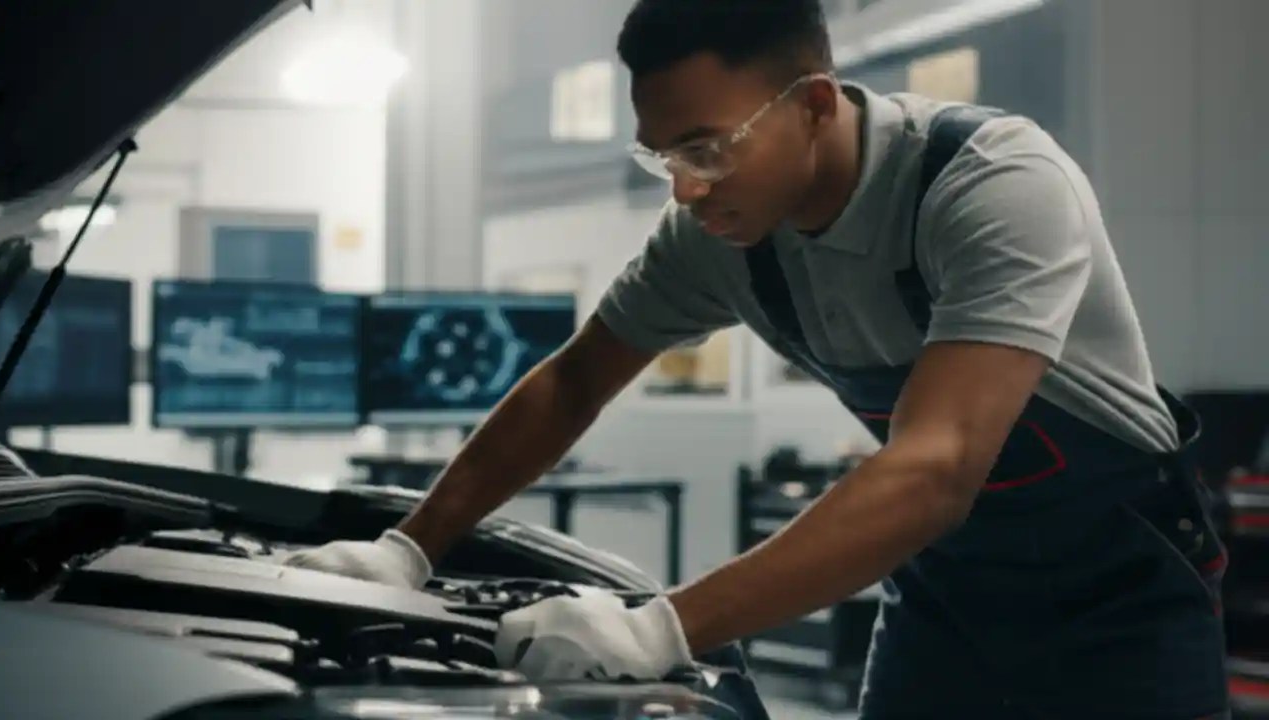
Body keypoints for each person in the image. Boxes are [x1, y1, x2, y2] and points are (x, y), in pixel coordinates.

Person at [284, 0, 1230, 716]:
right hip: (945, 593)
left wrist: (663, 626)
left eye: (707, 147)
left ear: (814, 103)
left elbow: (938, 468)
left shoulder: (990, 186)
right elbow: (575, 378)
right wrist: (408, 547)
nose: (687, 188)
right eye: (662, 157)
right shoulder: (714, 237)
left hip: (1120, 599)